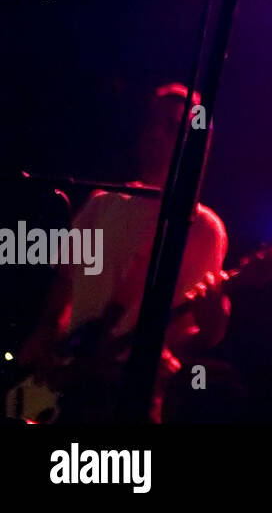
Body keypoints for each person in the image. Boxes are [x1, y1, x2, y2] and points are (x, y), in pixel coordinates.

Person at [13, 83, 229, 422]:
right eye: (153, 122)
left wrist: (215, 320)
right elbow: (63, 283)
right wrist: (46, 333)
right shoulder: (102, 204)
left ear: (196, 144)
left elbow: (194, 338)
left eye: (172, 127)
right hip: (66, 380)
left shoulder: (203, 228)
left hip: (131, 391)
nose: (156, 133)